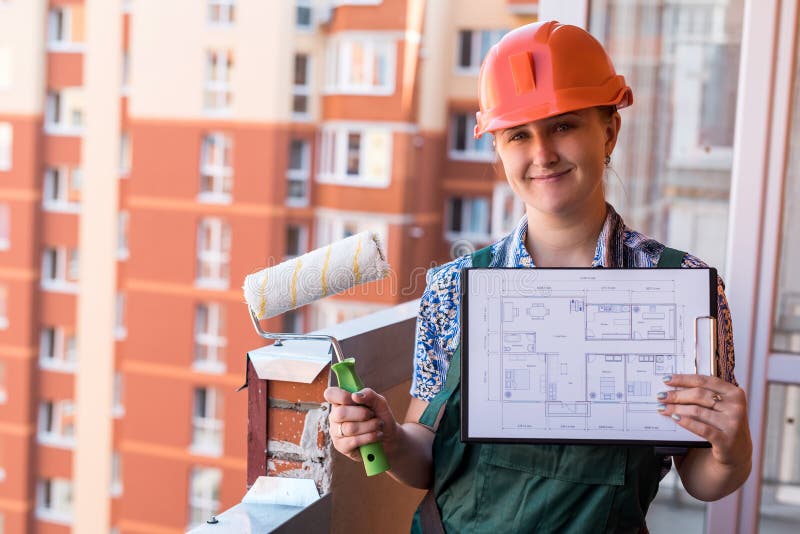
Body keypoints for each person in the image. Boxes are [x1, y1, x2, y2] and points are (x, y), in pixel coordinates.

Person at [323, 20, 752, 533]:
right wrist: (390, 440)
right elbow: (428, 455)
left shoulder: (682, 289)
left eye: (564, 125)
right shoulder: (454, 289)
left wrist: (732, 450)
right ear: (498, 152)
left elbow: (702, 476)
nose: (542, 153)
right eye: (519, 135)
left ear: (609, 129)